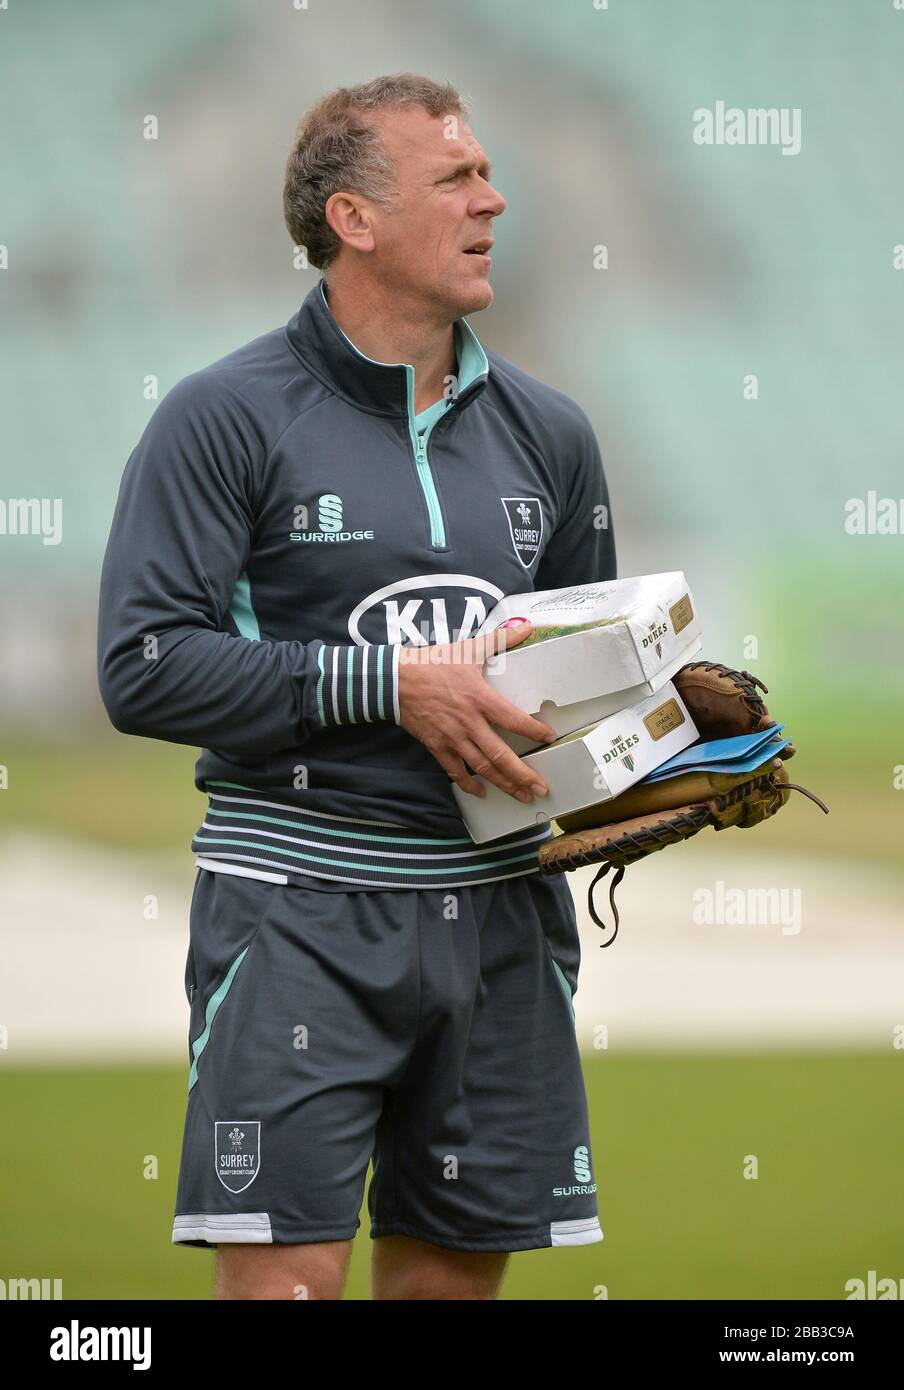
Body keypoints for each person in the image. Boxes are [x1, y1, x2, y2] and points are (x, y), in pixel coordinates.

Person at [97, 72, 616, 1300]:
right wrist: (389, 686)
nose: (494, 198)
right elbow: (142, 663)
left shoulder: (555, 432)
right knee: (290, 1288)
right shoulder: (221, 417)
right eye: (455, 179)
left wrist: (655, 765)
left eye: (487, 172)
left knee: (444, 1293)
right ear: (353, 219)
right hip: (297, 911)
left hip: (500, 916)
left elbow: (579, 681)